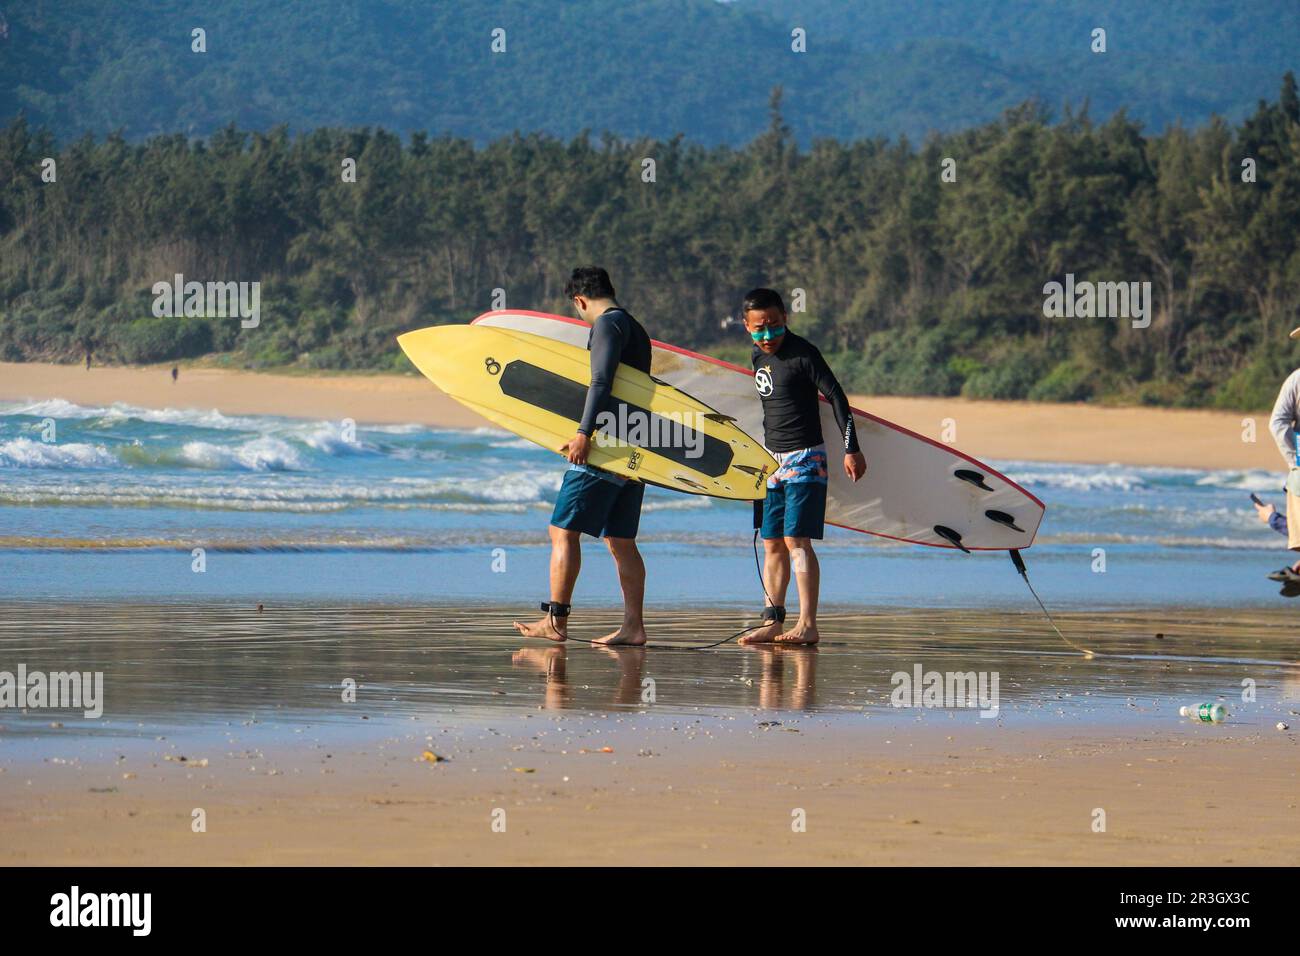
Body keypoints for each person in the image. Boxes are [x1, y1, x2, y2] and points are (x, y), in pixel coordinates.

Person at [512, 267, 652, 646]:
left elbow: (601, 381)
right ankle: (634, 626)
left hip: (606, 447)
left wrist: (583, 432)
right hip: (634, 449)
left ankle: (556, 621)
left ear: (579, 300)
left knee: (562, 530)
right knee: (620, 540)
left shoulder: (607, 325)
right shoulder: (635, 328)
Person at [738, 288, 866, 645]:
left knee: (797, 539)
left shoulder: (803, 353)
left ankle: (808, 624)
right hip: (770, 461)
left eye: (775, 326)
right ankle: (772, 620)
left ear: (785, 319)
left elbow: (837, 396)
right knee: (771, 542)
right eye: (760, 328)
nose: (768, 336)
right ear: (747, 327)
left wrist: (851, 448)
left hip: (806, 457)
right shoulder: (756, 357)